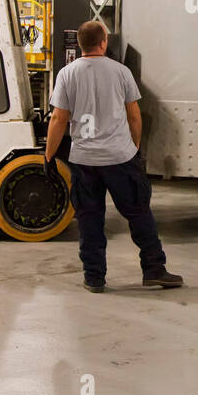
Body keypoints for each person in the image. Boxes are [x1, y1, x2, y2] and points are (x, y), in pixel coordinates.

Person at [45, 21, 181, 293]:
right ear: (104, 42)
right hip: (120, 157)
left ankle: (94, 277)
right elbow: (134, 115)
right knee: (139, 213)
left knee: (89, 218)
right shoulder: (121, 72)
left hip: (84, 160)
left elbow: (59, 118)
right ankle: (154, 269)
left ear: (80, 45)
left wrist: (48, 157)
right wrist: (135, 147)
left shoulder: (66, 74)